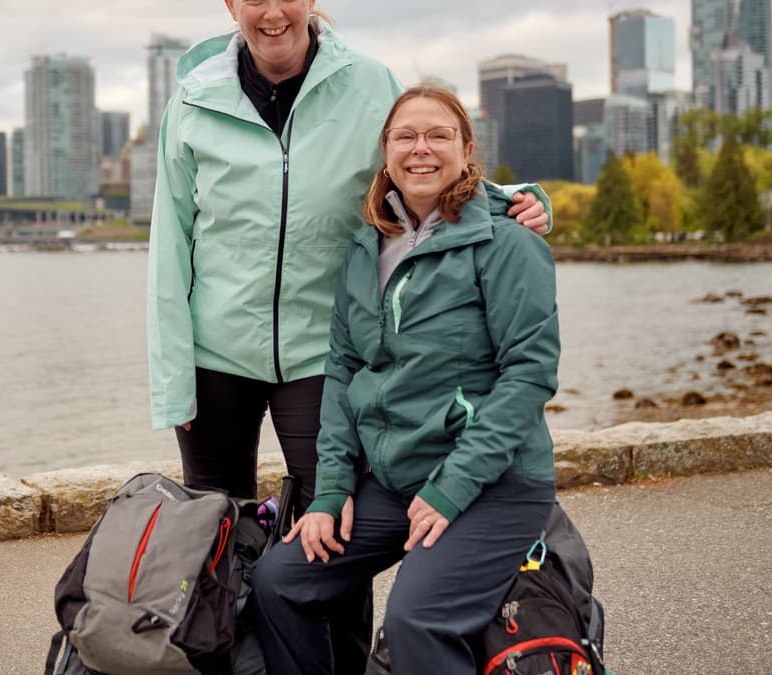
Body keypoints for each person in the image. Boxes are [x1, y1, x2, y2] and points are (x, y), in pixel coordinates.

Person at [146, 4, 549, 669]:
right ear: (229, 5)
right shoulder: (194, 96)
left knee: (336, 532)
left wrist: (519, 200)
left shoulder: (366, 81)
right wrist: (172, 379)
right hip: (215, 354)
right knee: (214, 542)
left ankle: (346, 662)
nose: (271, 11)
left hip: (320, 352)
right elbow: (171, 245)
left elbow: (423, 160)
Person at [250, 83, 561, 674]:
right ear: (387, 152)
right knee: (279, 582)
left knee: (417, 620)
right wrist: (332, 491)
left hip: (491, 483)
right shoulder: (368, 248)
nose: (421, 149)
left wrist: (451, 488)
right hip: (396, 485)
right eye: (405, 137)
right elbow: (343, 370)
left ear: (468, 152)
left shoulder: (508, 244)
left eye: (439, 135)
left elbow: (530, 375)